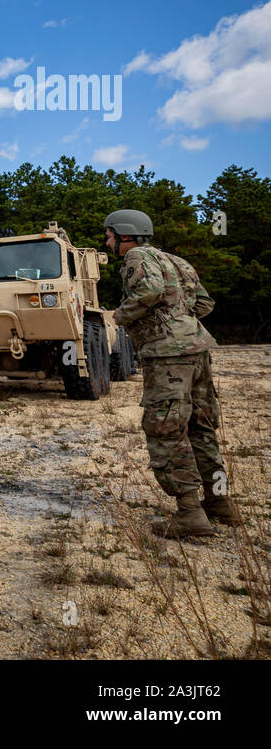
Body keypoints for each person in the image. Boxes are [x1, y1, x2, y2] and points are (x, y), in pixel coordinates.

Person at [104, 209, 237, 539]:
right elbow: (205, 303)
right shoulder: (177, 261)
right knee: (200, 426)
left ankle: (190, 513)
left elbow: (147, 293)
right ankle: (219, 501)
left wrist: (118, 315)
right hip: (197, 350)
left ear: (126, 235)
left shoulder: (137, 256)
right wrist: (179, 318)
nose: (107, 242)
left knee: (165, 428)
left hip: (168, 355)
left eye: (109, 235)